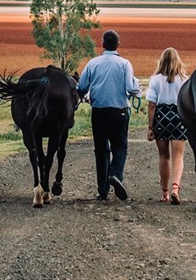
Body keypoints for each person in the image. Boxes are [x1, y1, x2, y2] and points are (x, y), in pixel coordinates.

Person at [77, 29, 141, 201]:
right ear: (118, 45)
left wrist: (86, 95)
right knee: (120, 147)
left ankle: (102, 190)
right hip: (119, 112)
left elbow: (81, 87)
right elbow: (131, 88)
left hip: (99, 112)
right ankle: (115, 174)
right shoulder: (125, 64)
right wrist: (138, 88)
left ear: (103, 44)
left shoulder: (92, 63)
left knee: (100, 150)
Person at [145, 47, 188, 204]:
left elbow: (151, 105)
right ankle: (176, 188)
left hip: (161, 118)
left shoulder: (155, 79)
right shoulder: (184, 79)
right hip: (179, 117)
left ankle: (165, 193)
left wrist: (150, 127)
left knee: (164, 156)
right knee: (178, 156)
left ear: (161, 61)